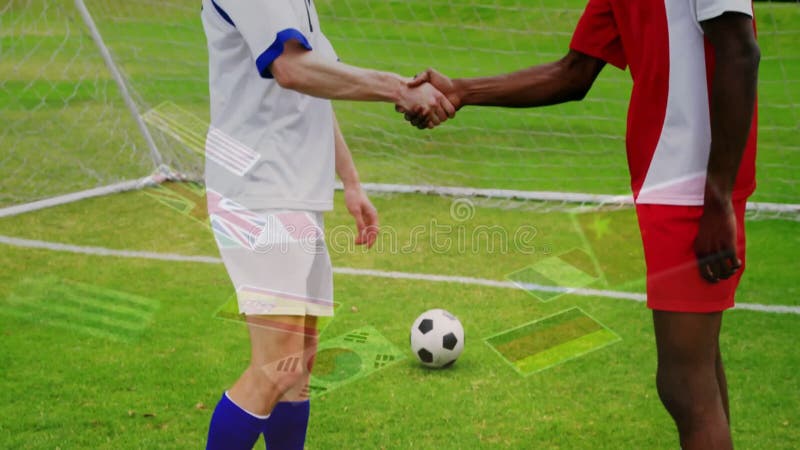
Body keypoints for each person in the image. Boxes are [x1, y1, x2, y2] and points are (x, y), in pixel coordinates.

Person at [401, 1, 759, 449]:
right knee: (699, 374)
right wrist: (462, 91)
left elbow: (740, 52)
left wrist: (718, 195)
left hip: (693, 192)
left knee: (685, 387)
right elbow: (574, 72)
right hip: (664, 186)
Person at [200, 0, 454, 449]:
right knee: (274, 364)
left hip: (294, 191)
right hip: (259, 192)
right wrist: (398, 88)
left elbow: (316, 82)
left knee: (298, 364)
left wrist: (350, 181)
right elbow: (292, 70)